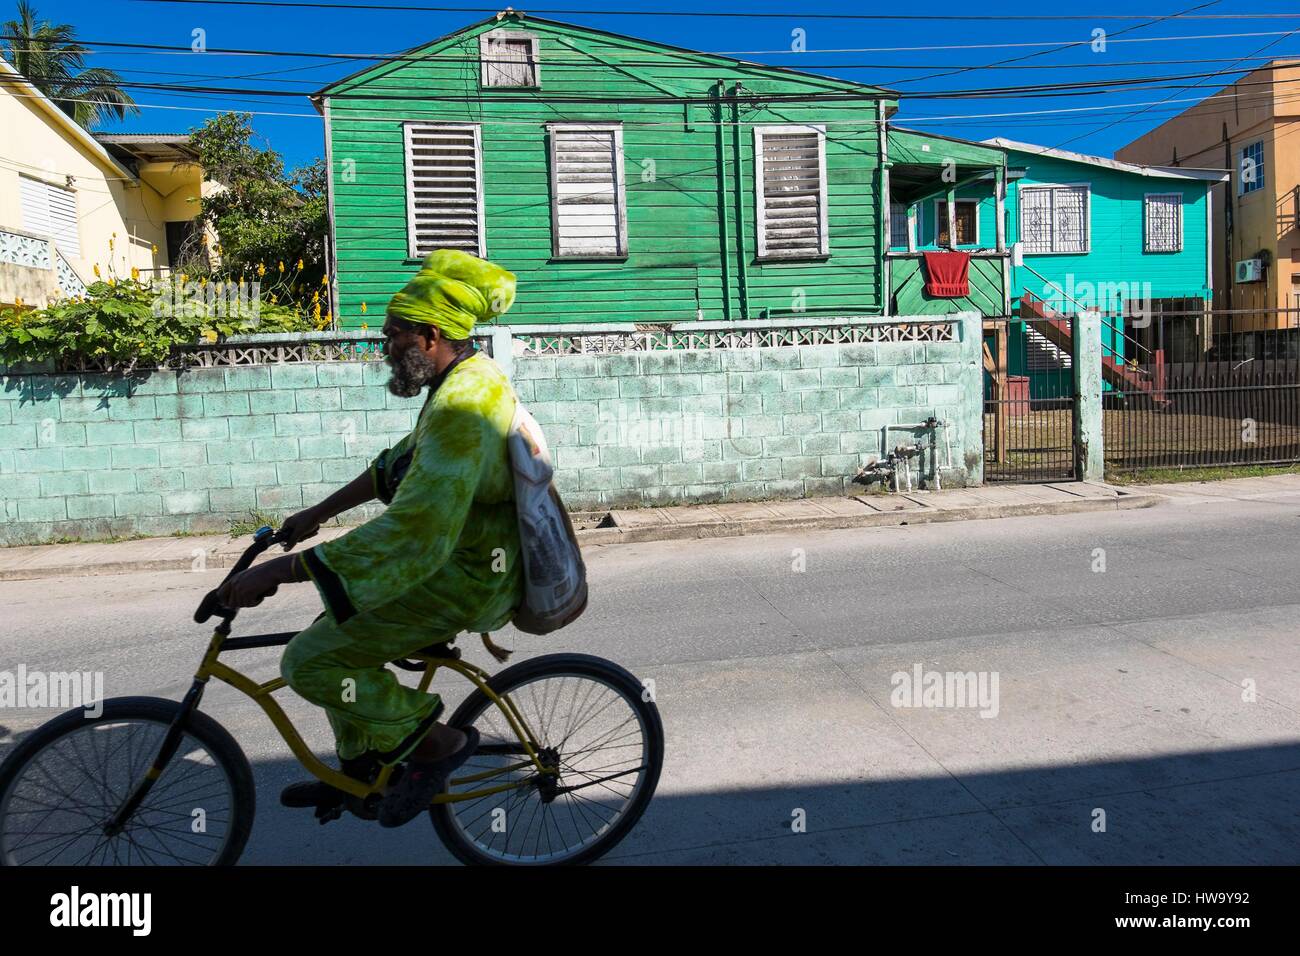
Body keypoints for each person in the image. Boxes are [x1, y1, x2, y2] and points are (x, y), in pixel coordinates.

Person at [215, 249, 523, 828]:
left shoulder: (465, 405)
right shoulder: (459, 381)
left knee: (310, 662)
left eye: (392, 337)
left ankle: (435, 745)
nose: (384, 349)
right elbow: (395, 467)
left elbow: (414, 530)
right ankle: (361, 763)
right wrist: (317, 513)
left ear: (430, 337)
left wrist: (279, 573)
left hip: (468, 576)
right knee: (333, 630)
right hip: (450, 563)